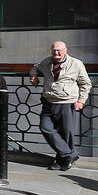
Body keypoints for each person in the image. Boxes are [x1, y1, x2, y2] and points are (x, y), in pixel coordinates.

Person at [29, 41, 91, 170]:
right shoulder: (47, 62)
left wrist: (81, 101)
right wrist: (33, 75)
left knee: (66, 133)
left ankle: (61, 161)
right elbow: (36, 67)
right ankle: (69, 155)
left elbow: (85, 84)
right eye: (53, 51)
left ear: (65, 50)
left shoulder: (76, 63)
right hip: (49, 101)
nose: (56, 53)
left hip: (67, 102)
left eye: (59, 50)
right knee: (45, 127)